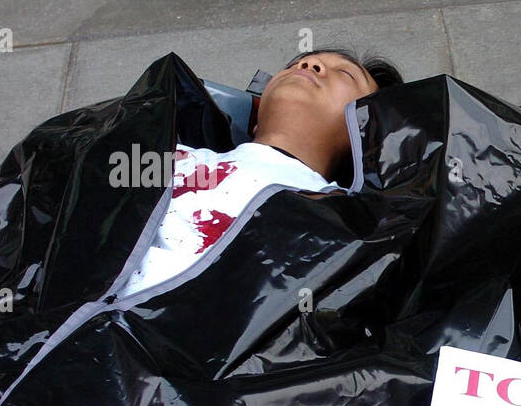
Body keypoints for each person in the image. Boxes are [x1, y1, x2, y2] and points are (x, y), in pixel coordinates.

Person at [119, 48, 403, 296]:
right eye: (298, 64)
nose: (309, 65)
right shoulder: (166, 154)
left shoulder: (348, 229)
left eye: (345, 74)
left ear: (365, 136)